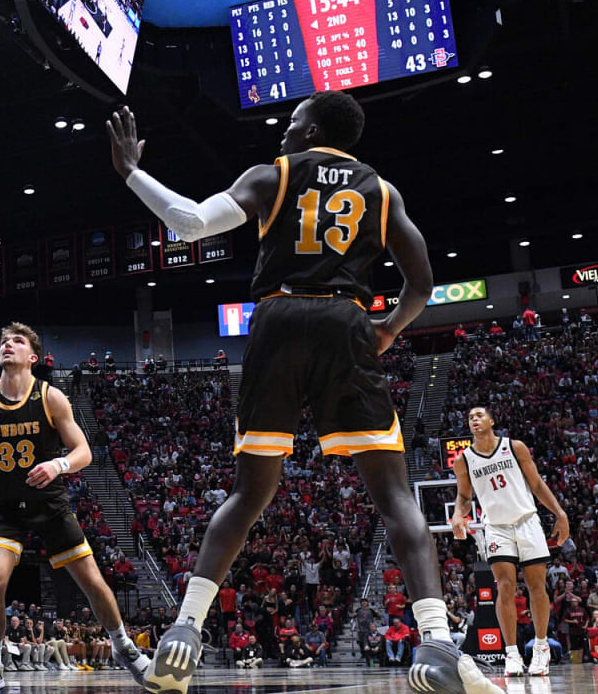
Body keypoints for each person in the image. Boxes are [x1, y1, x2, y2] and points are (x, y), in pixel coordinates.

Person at [105, 98, 499, 694]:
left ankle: (185, 627)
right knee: (394, 495)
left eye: (290, 125)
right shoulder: (382, 192)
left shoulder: (272, 175)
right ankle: (438, 639)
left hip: (279, 321)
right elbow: (422, 282)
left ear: (312, 131)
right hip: (346, 322)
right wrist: (390, 328)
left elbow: (187, 222)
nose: (283, 132)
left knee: (249, 493)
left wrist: (132, 170)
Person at [0, 322, 148, 693]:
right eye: (3, 341)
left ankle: (124, 647)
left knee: (90, 579)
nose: (8, 345)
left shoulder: (51, 397)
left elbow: (84, 452)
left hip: (50, 504)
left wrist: (58, 465)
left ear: (33, 357)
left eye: (17, 341)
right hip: (5, 507)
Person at [450, 406, 571, 678]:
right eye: (470, 417)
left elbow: (537, 484)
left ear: (492, 421)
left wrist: (560, 514)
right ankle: (512, 653)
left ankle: (541, 648)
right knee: (505, 586)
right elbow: (465, 496)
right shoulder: (464, 460)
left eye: (479, 415)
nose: (474, 420)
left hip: (527, 521)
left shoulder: (514, 447)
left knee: (536, 586)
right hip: (496, 526)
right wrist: (459, 514)